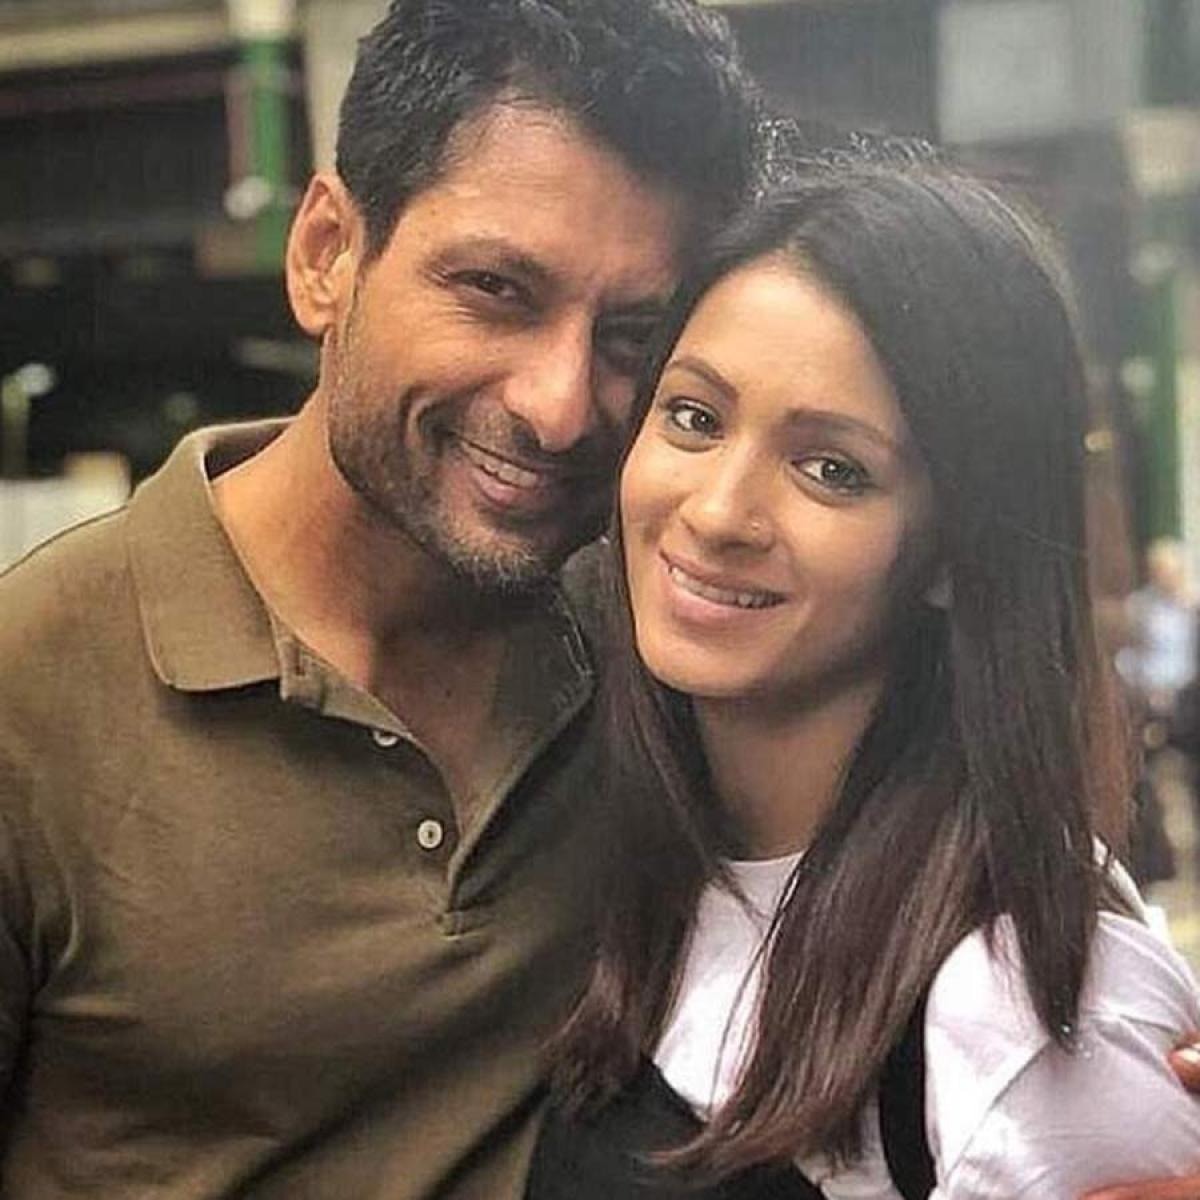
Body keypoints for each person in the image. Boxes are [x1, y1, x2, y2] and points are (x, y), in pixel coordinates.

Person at [0, 2, 759, 1195]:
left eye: (632, 336)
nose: (561, 406)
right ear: (325, 256)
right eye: (496, 288)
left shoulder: (665, 645)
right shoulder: (31, 697)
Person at [527, 144, 1200, 1198]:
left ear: (954, 552)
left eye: (831, 469)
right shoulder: (624, 856)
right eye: (695, 417)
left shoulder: (1014, 1003)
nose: (718, 512)